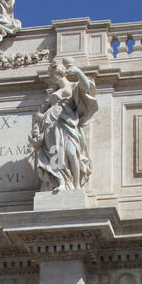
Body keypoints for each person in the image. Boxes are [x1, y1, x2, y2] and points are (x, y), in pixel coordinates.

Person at [29, 58, 98, 191]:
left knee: (72, 154)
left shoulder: (73, 86)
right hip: (52, 127)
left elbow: (88, 88)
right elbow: (41, 112)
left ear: (60, 72)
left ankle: (76, 185)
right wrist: (39, 119)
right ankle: (61, 182)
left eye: (53, 74)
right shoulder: (52, 94)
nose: (52, 78)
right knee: (56, 155)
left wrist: (78, 72)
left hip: (68, 124)